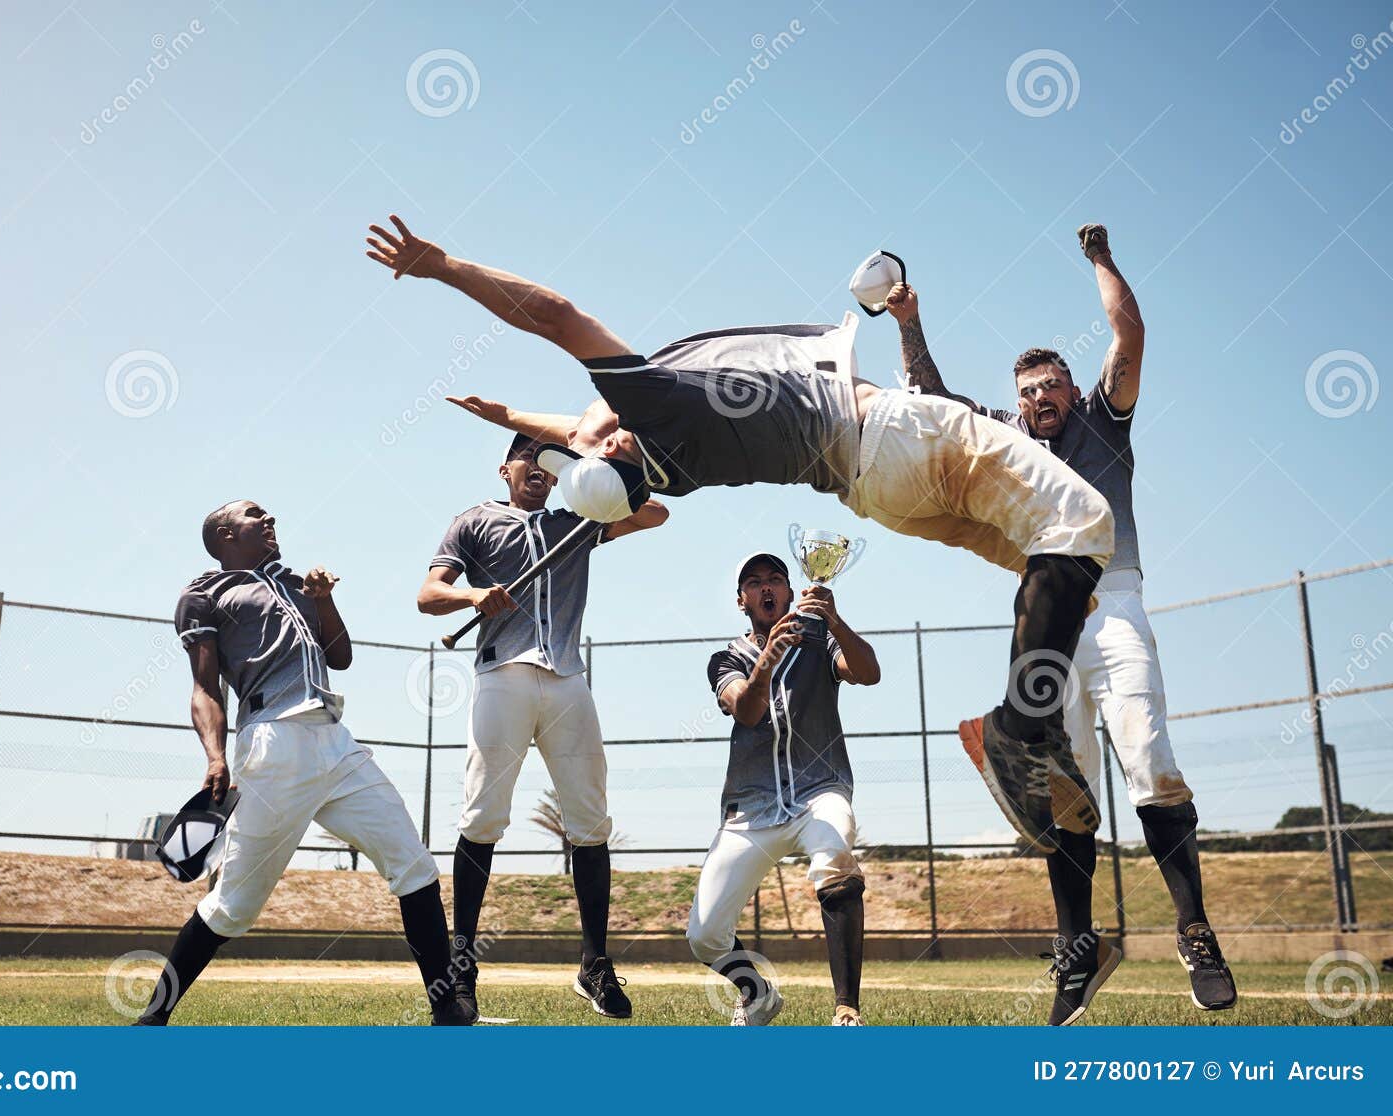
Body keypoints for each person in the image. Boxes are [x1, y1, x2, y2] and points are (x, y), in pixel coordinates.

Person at [365, 212, 1105, 859]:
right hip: (893, 435)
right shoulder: (651, 403)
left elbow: (574, 435)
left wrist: (507, 418)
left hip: (875, 495)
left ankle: (1037, 733)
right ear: (615, 444)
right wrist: (443, 267)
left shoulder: (662, 471)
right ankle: (1018, 732)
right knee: (1085, 523)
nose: (581, 422)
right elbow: (554, 314)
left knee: (1067, 577)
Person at [888, 223, 1237, 1021]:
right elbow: (934, 405)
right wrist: (909, 321)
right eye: (1027, 392)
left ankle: (1194, 931)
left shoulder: (1103, 423)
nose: (1038, 400)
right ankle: (1077, 952)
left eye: (1049, 387)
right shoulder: (1012, 444)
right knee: (1061, 791)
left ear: (1072, 391)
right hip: (1045, 621)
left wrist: (1101, 258)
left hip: (1112, 605)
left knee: (1148, 759)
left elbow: (1130, 332)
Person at [135, 500, 471, 1026]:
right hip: (273, 746)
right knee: (232, 909)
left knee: (414, 865)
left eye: (270, 516)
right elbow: (204, 687)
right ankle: (153, 1018)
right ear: (225, 535)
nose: (269, 520)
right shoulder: (205, 594)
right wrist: (216, 756)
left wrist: (323, 599)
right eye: (255, 515)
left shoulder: (295, 583)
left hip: (335, 740)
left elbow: (340, 657)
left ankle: (447, 1008)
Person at [418, 434, 667, 1019]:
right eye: (528, 455)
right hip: (502, 672)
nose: (538, 465)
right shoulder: (474, 520)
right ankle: (461, 963)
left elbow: (655, 512)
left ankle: (594, 963)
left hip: (567, 677)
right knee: (482, 818)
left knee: (590, 821)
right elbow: (428, 595)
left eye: (548, 460)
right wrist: (474, 595)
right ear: (505, 467)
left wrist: (596, 477)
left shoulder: (578, 521)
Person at [689, 553, 880, 1026]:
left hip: (819, 791)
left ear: (792, 593)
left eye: (775, 579)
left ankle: (846, 1011)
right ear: (742, 600)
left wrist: (835, 619)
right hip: (752, 808)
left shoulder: (819, 640)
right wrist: (768, 659)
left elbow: (869, 672)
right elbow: (747, 711)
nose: (765, 587)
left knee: (835, 855)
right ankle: (757, 994)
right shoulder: (727, 657)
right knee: (704, 934)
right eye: (754, 582)